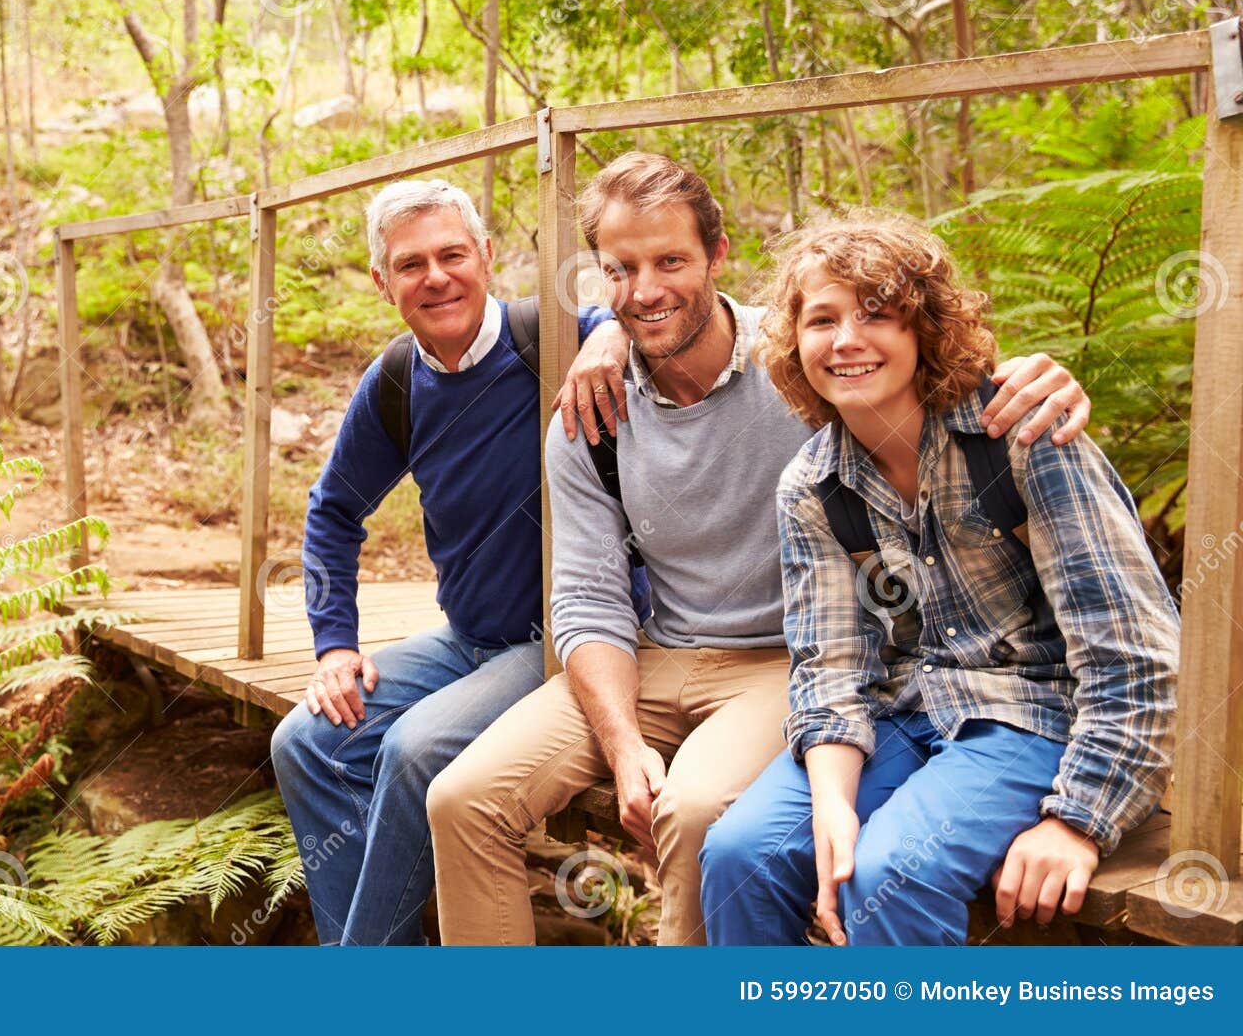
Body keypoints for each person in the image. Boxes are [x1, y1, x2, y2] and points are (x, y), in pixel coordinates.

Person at [426, 153, 1092, 945]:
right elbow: (587, 596)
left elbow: (927, 374)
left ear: (716, 253)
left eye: (670, 260)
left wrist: (1043, 380)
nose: (645, 290)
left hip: (793, 656)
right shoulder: (589, 412)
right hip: (655, 651)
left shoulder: (807, 366)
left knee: (701, 809)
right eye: (621, 268)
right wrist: (625, 744)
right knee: (461, 797)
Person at [697, 210, 1179, 946]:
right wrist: (831, 804)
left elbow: (1134, 651)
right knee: (744, 854)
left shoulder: (1020, 433)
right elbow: (827, 668)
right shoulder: (812, 484)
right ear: (796, 343)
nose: (847, 339)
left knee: (892, 868)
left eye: (877, 315)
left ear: (924, 329)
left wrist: (1080, 820)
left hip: (1031, 715)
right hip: (903, 713)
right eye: (821, 319)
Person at [269, 178, 631, 945]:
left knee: (412, 748)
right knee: (305, 740)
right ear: (382, 282)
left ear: (488, 256)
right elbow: (332, 510)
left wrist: (608, 334)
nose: (435, 276)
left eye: (452, 254)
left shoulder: (553, 337)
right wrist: (334, 642)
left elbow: (636, 325)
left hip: (562, 639)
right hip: (465, 638)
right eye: (410, 264)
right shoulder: (398, 381)